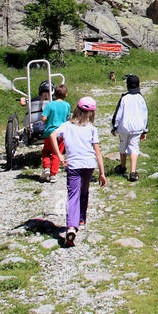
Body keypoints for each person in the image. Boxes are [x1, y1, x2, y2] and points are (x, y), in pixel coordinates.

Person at [53, 98, 106, 246]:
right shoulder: (92, 128)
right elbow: (98, 152)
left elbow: (52, 135)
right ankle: (81, 218)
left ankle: (71, 226)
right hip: (89, 165)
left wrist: (59, 155)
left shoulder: (67, 126)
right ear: (92, 113)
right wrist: (102, 173)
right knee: (84, 190)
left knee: (72, 195)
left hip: (73, 165)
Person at [110, 74, 148, 182]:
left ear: (127, 86)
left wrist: (114, 127)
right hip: (137, 127)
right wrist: (144, 130)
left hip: (124, 127)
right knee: (134, 147)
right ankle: (132, 172)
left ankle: (122, 167)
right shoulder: (141, 98)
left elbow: (118, 114)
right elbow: (145, 115)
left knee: (123, 145)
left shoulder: (124, 98)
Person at [39, 83, 71, 182]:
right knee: (57, 153)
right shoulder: (67, 105)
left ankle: (46, 168)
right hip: (61, 133)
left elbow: (44, 118)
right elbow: (68, 117)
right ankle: (53, 174)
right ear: (66, 95)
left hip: (50, 132)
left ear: (54, 94)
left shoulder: (50, 104)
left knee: (46, 152)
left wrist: (46, 122)